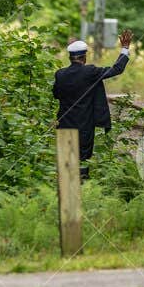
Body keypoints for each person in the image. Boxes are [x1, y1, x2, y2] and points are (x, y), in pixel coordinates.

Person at [52, 29, 132, 178]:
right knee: (82, 165)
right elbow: (116, 69)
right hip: (84, 127)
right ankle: (82, 193)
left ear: (70, 58)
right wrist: (125, 48)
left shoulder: (60, 74)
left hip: (64, 125)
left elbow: (56, 94)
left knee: (66, 165)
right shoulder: (90, 72)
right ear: (84, 57)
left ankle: (66, 197)